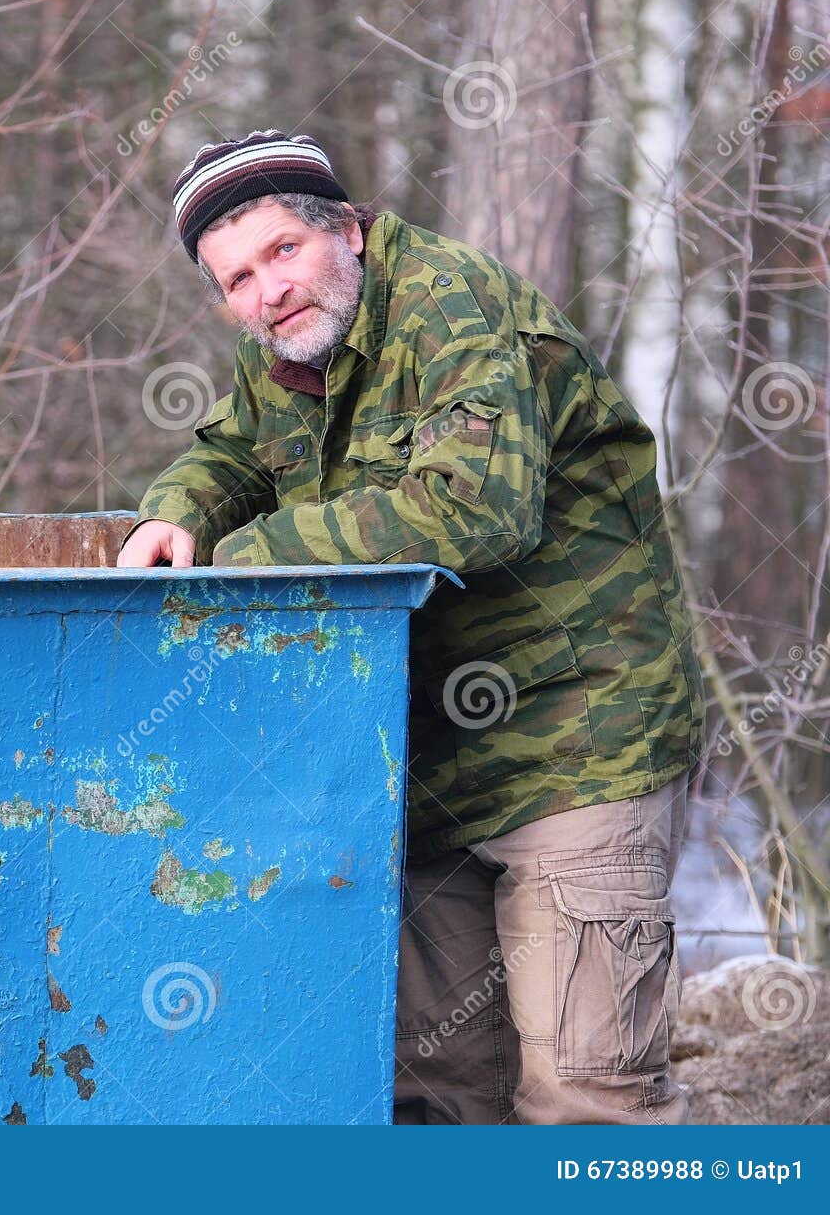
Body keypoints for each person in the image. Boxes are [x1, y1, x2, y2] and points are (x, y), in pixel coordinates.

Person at [117, 129, 703, 1124]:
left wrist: (247, 558)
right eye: (235, 280)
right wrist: (173, 514)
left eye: (281, 252)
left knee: (588, 1099)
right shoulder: (289, 346)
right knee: (435, 1097)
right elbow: (232, 454)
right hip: (429, 765)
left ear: (345, 229)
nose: (264, 292)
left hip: (578, 744)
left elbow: (476, 508)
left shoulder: (450, 307)